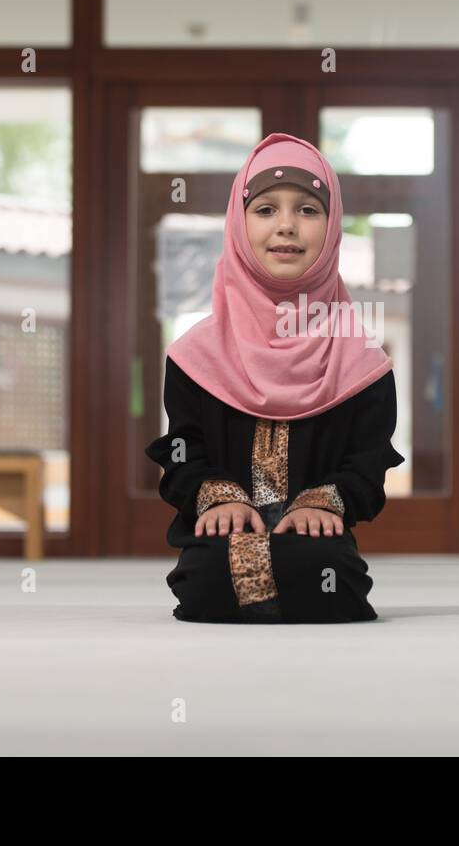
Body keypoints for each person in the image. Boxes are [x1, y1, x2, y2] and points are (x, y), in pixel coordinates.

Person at [145, 132, 405, 623]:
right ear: (238, 226)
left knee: (326, 575)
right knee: (205, 579)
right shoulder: (194, 356)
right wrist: (218, 496)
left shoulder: (362, 360)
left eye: (308, 210)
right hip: (222, 535)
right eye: (265, 210)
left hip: (317, 538)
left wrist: (325, 503)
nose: (286, 226)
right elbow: (183, 451)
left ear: (332, 229)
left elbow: (368, 461)